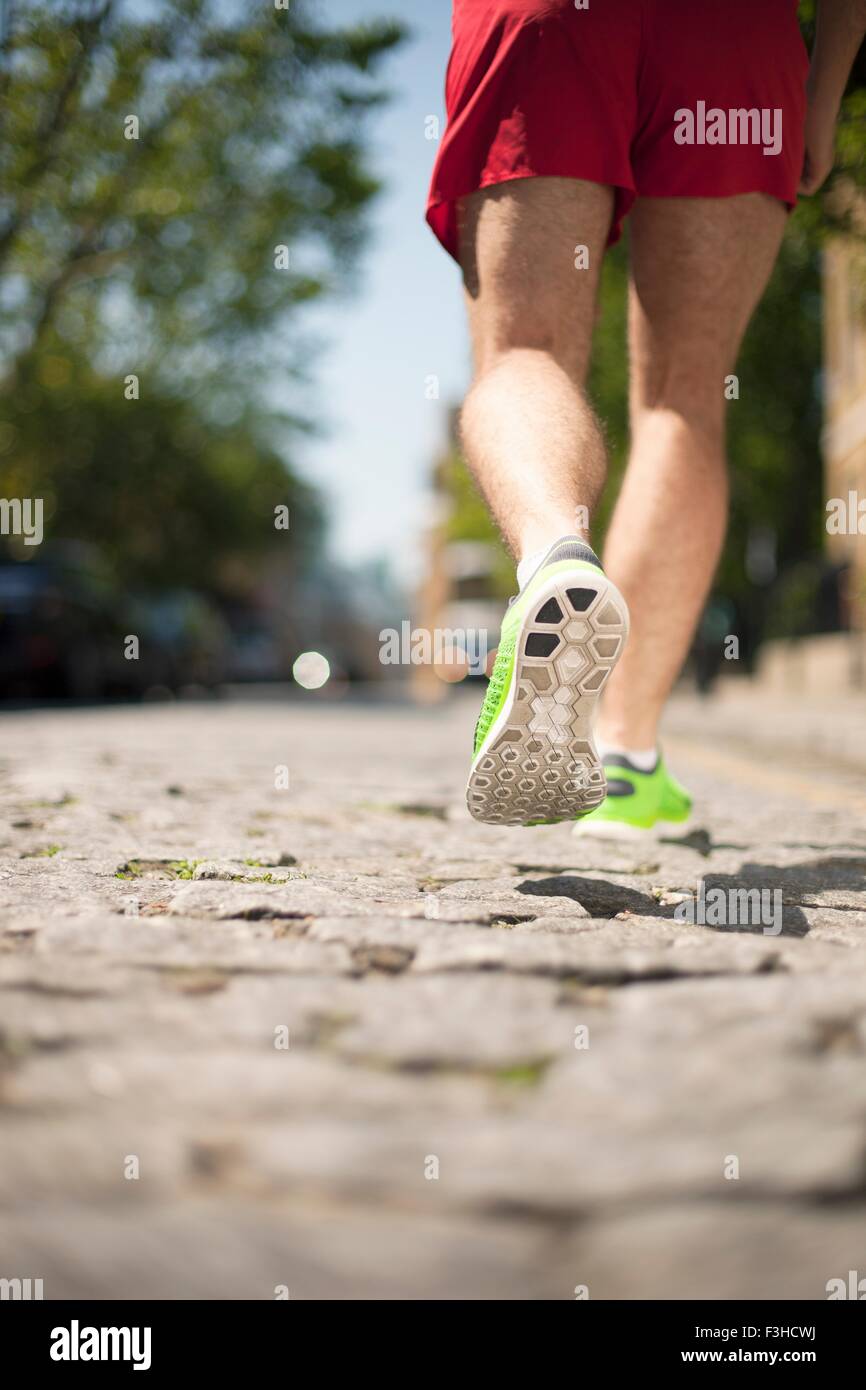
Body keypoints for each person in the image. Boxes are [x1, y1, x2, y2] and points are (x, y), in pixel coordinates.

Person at [426, 0, 865, 835]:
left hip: (548, 21)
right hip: (736, 36)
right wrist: (824, 83)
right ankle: (626, 759)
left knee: (528, 350)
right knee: (685, 401)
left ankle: (555, 557)